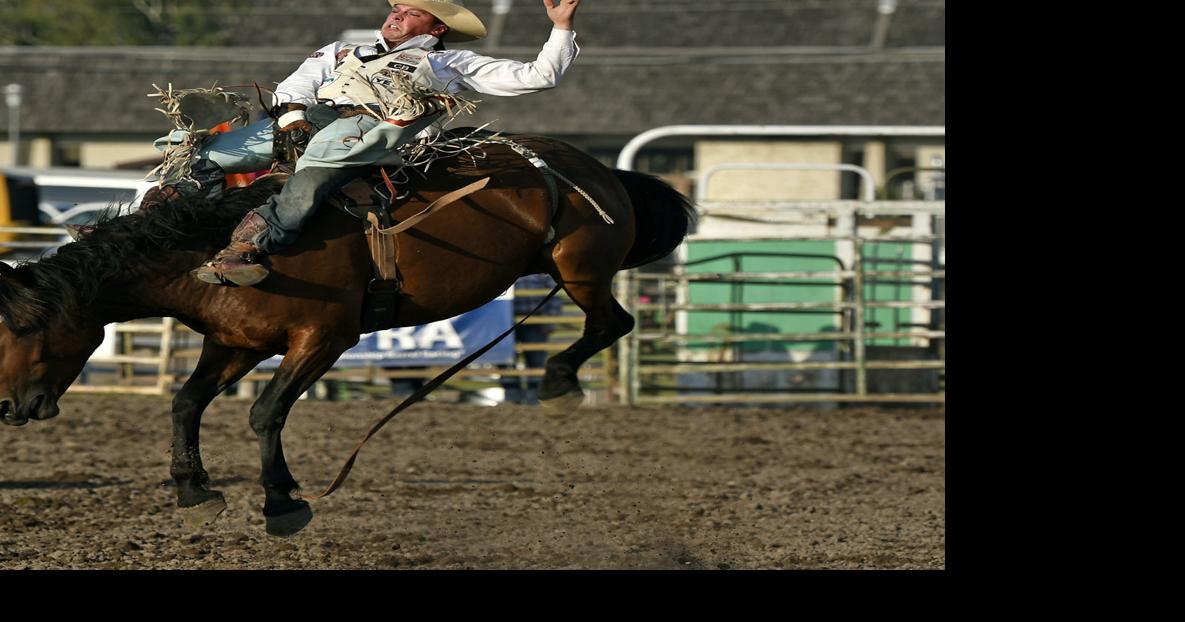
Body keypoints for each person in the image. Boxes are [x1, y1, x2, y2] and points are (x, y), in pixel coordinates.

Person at [154, 0, 582, 286]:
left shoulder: (447, 63)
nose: (396, 16)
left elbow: (537, 78)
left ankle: (243, 250)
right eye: (396, 8)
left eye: (411, 13)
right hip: (305, 122)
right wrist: (293, 117)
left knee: (308, 183)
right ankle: (175, 222)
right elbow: (295, 84)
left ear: (437, 27)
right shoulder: (342, 50)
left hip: (366, 132)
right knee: (204, 153)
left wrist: (561, 27)